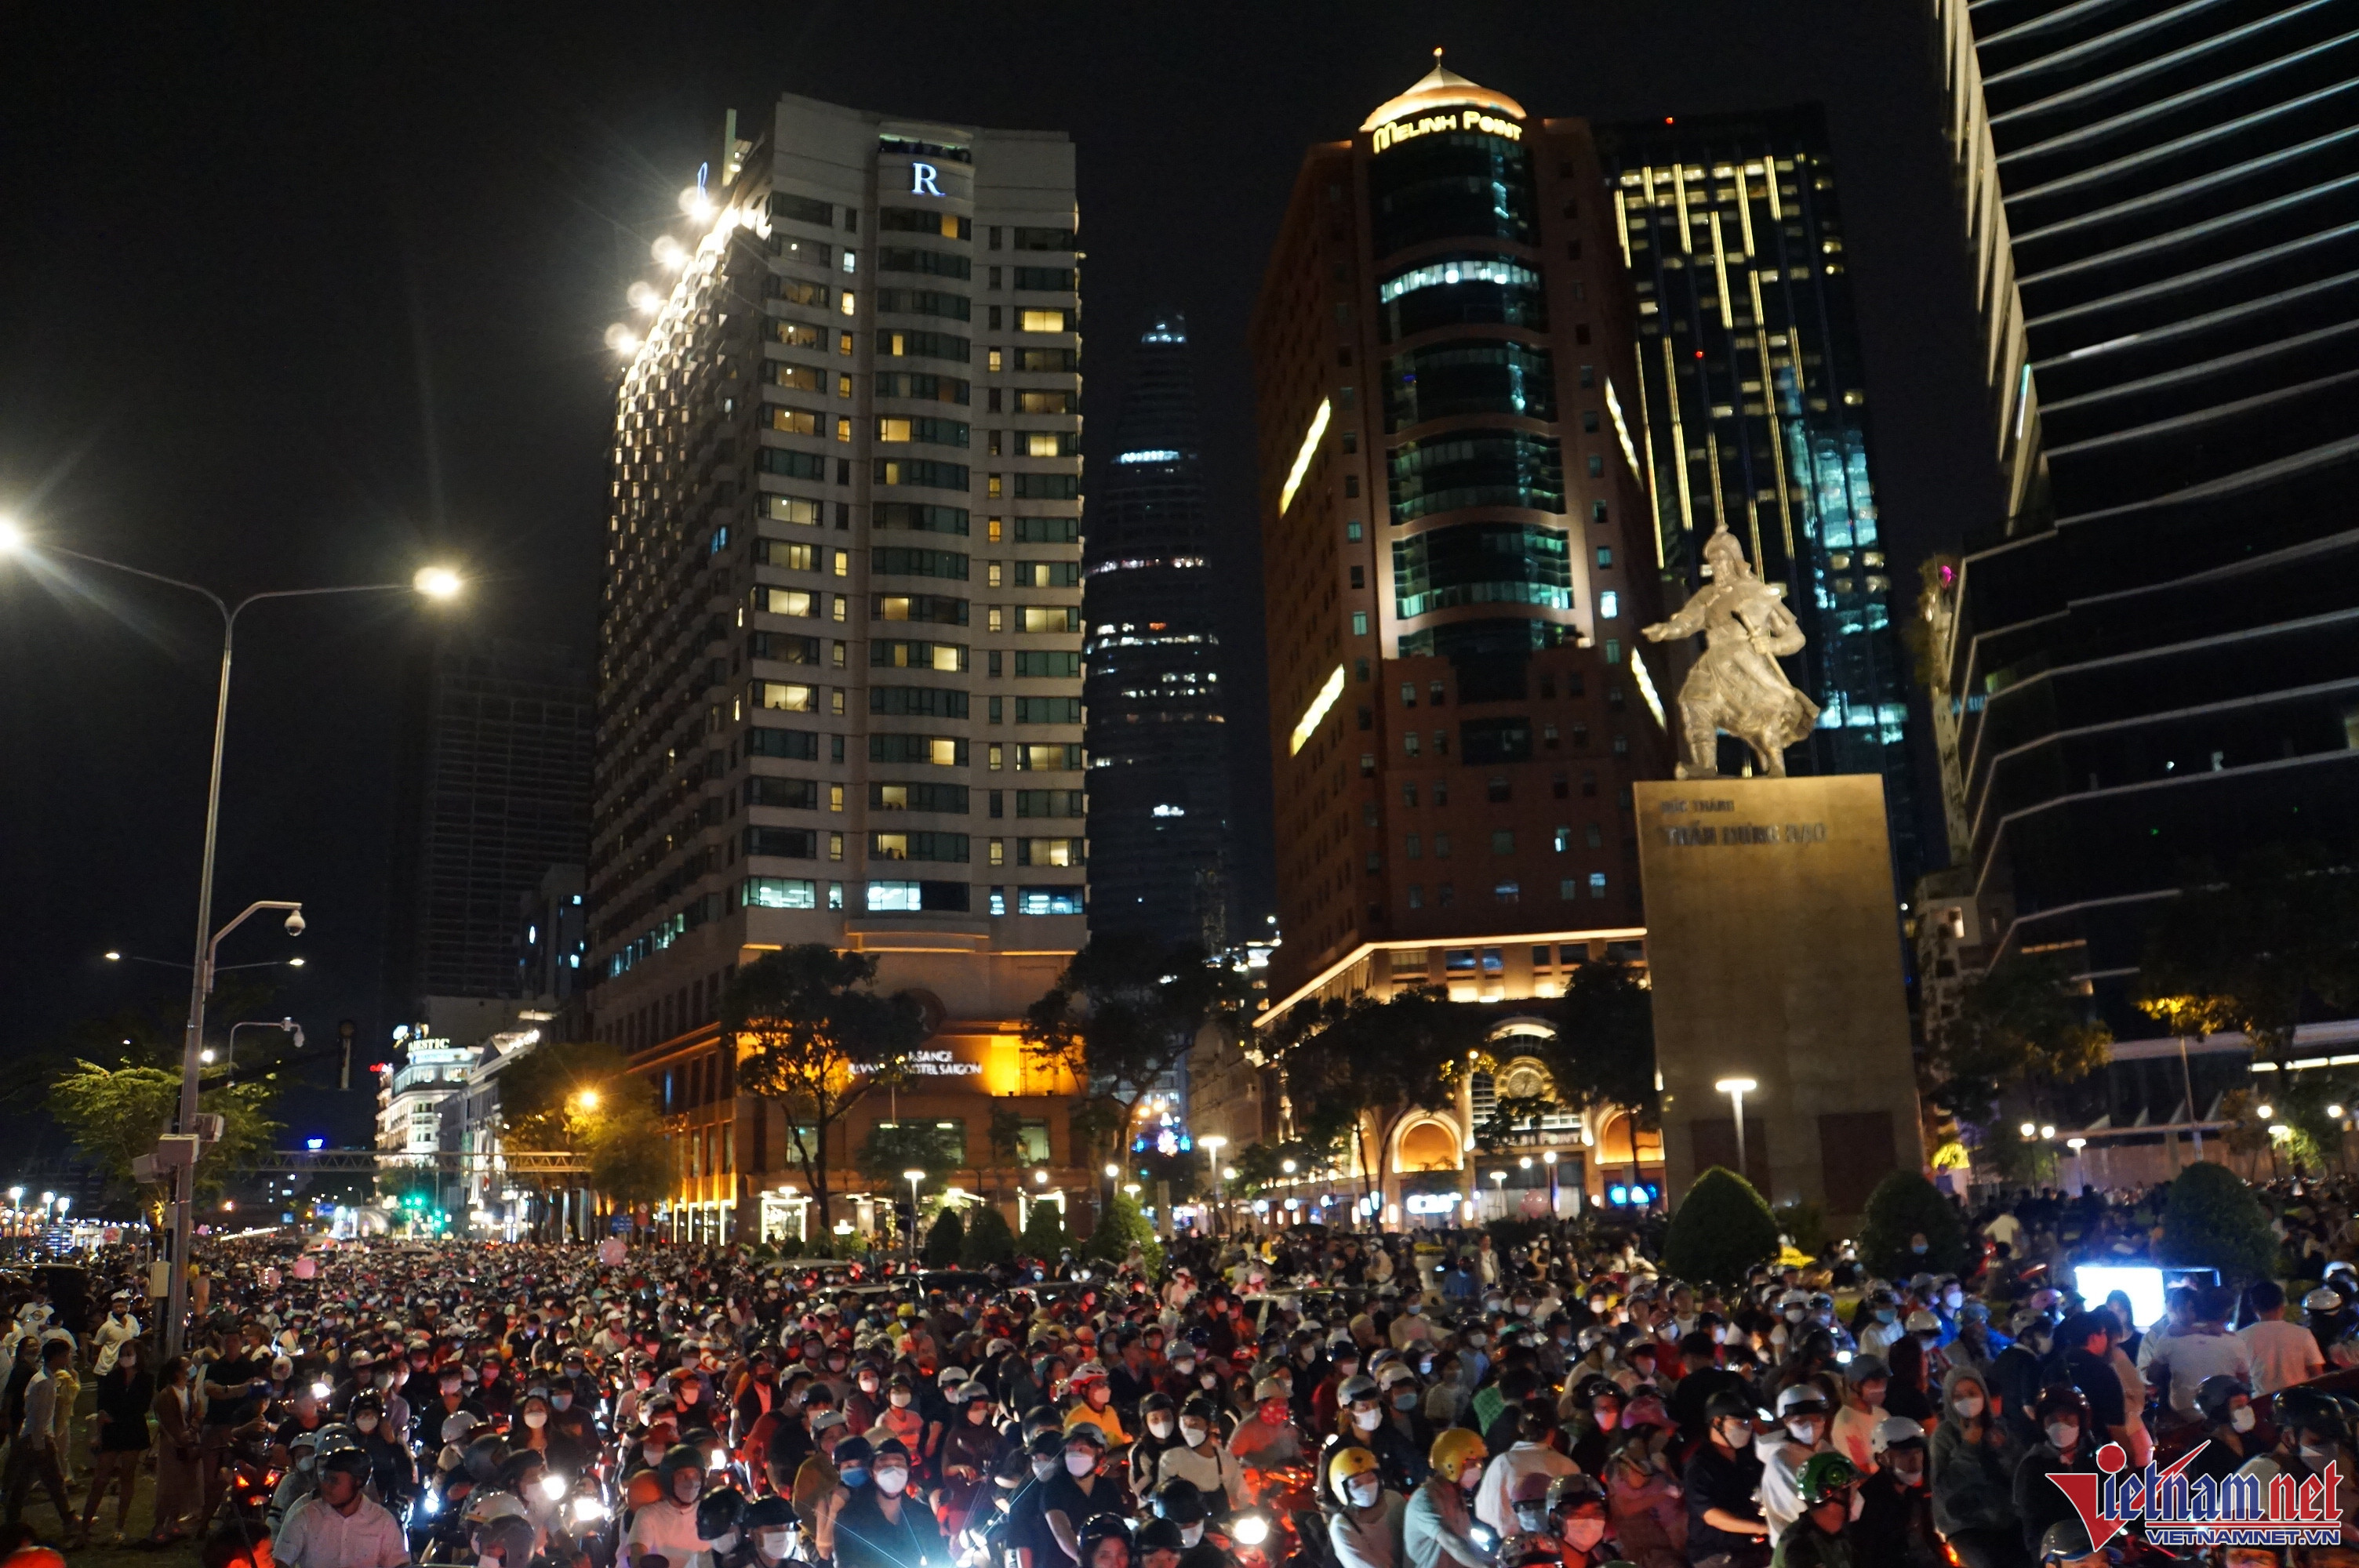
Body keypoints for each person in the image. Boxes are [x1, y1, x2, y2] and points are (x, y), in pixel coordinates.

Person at [1927, 1368, 2021, 1568]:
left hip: (2007, 1518)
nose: (1966, 1401)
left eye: (1971, 1393)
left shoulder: (1999, 1428)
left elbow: (2019, 1475)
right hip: (1965, 1525)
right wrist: (1968, 1447)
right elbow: (1944, 1490)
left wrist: (2003, 1451)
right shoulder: (1944, 1436)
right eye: (1958, 1396)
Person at [271, 1435, 408, 1568]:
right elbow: (282, 1560)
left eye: (334, 1481)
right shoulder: (305, 1515)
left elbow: (399, 1564)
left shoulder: (382, 1521)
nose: (325, 1486)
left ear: (357, 1481)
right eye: (326, 1479)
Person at [77, 1330, 154, 1547]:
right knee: (100, 1479)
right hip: (112, 1431)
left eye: (128, 1353)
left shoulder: (146, 1379)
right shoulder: (112, 1377)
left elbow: (141, 1406)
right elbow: (103, 1403)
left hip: (132, 1430)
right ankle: (84, 1528)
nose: (125, 1357)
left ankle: (120, 1525)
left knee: (127, 1478)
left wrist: (116, 1415)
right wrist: (101, 1425)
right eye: (123, 1353)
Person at [1684, 1388, 1770, 1568]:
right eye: (1740, 1422)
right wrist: (1761, 1528)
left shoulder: (1749, 1457)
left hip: (1751, 1547)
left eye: (1748, 1422)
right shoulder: (1700, 1466)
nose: (1746, 1427)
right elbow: (1712, 1516)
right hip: (1716, 1554)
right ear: (1717, 1422)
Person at [833, 1436, 948, 1568]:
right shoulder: (851, 1517)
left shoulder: (923, 1515)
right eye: (884, 1465)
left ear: (908, 1470)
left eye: (899, 1464)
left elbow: (940, 1557)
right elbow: (845, 1562)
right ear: (872, 1472)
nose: (893, 1471)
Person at [2012, 1386, 2099, 1556]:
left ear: (2081, 1421)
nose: (2060, 1424)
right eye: (2052, 1419)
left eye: (2067, 1417)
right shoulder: (2033, 1467)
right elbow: (2034, 1533)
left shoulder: (2095, 1460)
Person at [1, 1339, 71, 1535]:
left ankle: (12, 1520)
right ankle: (68, 1520)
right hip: (37, 1439)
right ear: (56, 1357)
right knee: (52, 1481)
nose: (68, 1359)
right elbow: (39, 1417)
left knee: (27, 1482)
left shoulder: (44, 1378)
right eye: (65, 1355)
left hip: (32, 1437)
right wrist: (42, 1444)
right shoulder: (44, 1383)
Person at [1853, 1417, 1940, 1568]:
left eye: (1918, 1452)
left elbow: (1929, 1540)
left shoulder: (1914, 1496)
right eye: (1905, 1453)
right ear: (1881, 1458)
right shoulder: (1866, 1503)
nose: (1914, 1460)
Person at [1403, 1429, 1492, 1568]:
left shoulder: (1456, 1495)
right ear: (1453, 1463)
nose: (1478, 1469)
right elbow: (1452, 1543)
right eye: (1473, 1464)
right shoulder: (1425, 1500)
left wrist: (1497, 1562)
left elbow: (1468, 1545)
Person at [1757, 1384, 1833, 1547]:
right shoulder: (1781, 1462)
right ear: (1786, 1421)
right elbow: (1808, 1513)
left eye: (1816, 1419)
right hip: (1798, 1550)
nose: (1811, 1426)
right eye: (1801, 1421)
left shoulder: (1825, 1450)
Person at [1768, 1453, 1859, 1568]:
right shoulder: (1800, 1551)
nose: (1855, 1496)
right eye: (1852, 1488)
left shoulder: (1836, 1532)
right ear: (1836, 1497)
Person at [2241, 1281, 2325, 1396]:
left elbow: (2241, 1377)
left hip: (2261, 1403)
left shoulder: (2242, 1337)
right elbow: (2317, 1373)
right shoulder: (2302, 1334)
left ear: (2254, 1309)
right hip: (2299, 1401)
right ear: (2282, 1305)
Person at [1329, 1444, 1406, 1568]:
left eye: (1370, 1479)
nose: (1366, 1487)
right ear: (1343, 1489)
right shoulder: (1343, 1527)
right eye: (1357, 1484)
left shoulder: (1394, 1500)